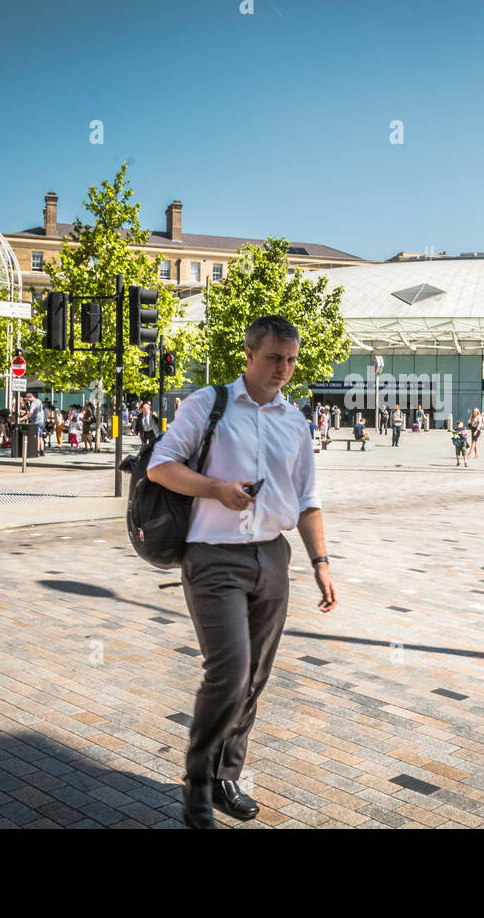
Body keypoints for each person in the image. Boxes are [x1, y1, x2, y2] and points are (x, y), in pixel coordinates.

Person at [145, 315, 336, 829]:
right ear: (249, 355)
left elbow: (308, 500)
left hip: (272, 557)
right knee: (228, 670)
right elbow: (160, 465)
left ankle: (228, 775)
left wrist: (321, 563)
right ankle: (198, 781)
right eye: (275, 358)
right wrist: (216, 488)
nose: (284, 369)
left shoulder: (295, 422)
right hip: (213, 557)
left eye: (292, 360)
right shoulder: (208, 404)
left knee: (254, 677)